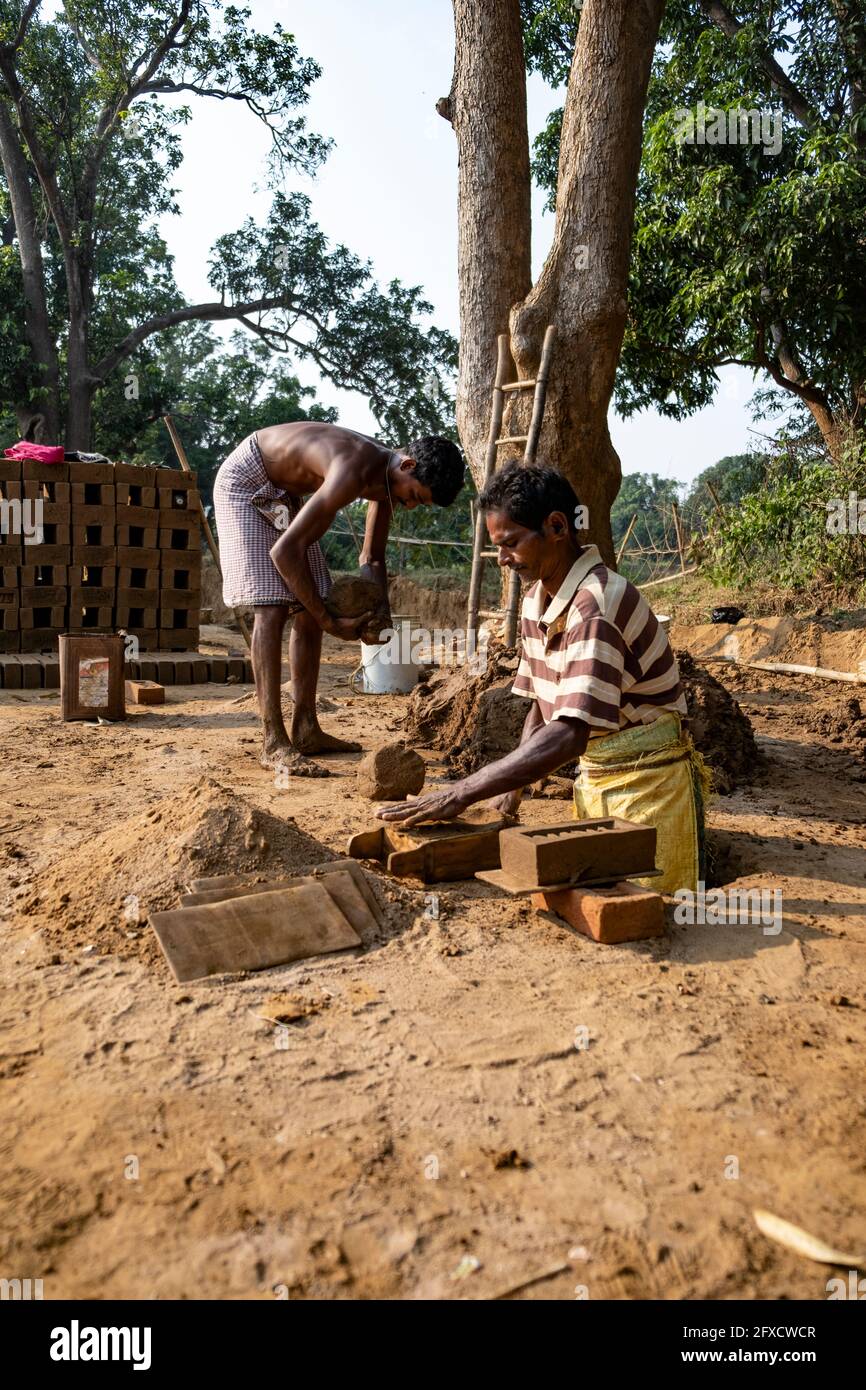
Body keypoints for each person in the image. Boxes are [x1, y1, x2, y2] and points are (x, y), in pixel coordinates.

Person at [378, 461, 707, 895]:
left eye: (511, 543)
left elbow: (569, 732)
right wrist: (512, 788)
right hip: (596, 777)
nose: (503, 558)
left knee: (652, 905)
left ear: (556, 527)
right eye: (497, 545)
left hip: (648, 785)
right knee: (600, 896)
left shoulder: (596, 607)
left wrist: (463, 791)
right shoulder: (537, 600)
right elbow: (543, 699)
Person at [213, 422, 464, 776]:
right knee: (273, 606)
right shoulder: (352, 469)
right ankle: (273, 741)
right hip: (247, 480)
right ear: (407, 465)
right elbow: (284, 553)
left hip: (284, 494)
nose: (409, 505)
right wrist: (330, 622)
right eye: (415, 496)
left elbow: (372, 559)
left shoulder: (388, 482)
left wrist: (381, 618)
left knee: (308, 609)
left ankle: (305, 729)